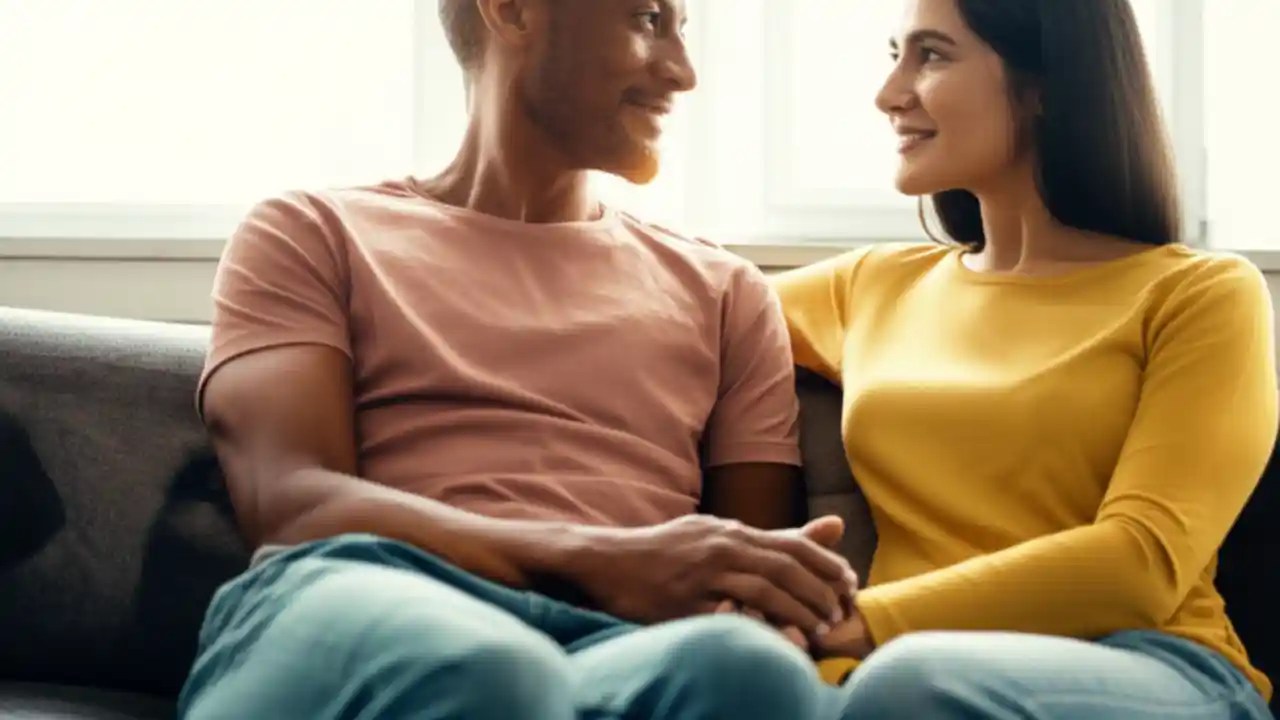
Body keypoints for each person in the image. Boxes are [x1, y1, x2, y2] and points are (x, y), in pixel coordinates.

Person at [177, 0, 858, 718]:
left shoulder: (726, 293)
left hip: (619, 647)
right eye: (649, 19)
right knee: (490, 673)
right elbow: (289, 503)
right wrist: (606, 561)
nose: (683, 74)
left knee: (754, 673)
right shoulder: (313, 233)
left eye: (683, 32)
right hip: (360, 594)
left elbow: (743, 571)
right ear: (511, 11)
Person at [774, 0, 1278, 718]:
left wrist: (856, 623)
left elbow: (1141, 562)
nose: (889, 94)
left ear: (1045, 84)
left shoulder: (1199, 295)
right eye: (896, 54)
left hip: (1154, 667)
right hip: (890, 674)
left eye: (933, 55)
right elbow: (666, 306)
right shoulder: (867, 287)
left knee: (912, 685)